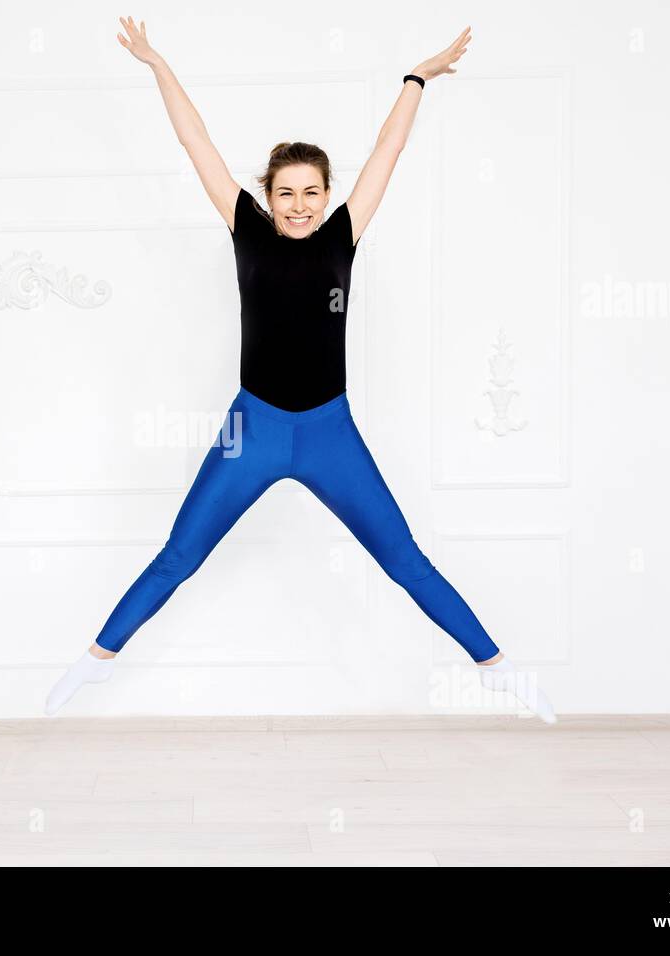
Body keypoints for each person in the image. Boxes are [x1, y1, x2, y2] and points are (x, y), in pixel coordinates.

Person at [47, 20, 556, 724]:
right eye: (285, 193)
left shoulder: (344, 235)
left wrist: (416, 78)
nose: (298, 205)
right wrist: (158, 63)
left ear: (326, 194)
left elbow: (389, 149)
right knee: (179, 554)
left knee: (404, 560)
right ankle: (95, 660)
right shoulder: (246, 228)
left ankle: (498, 668)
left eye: (310, 192)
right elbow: (195, 141)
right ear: (267, 194)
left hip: (328, 432)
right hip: (250, 429)